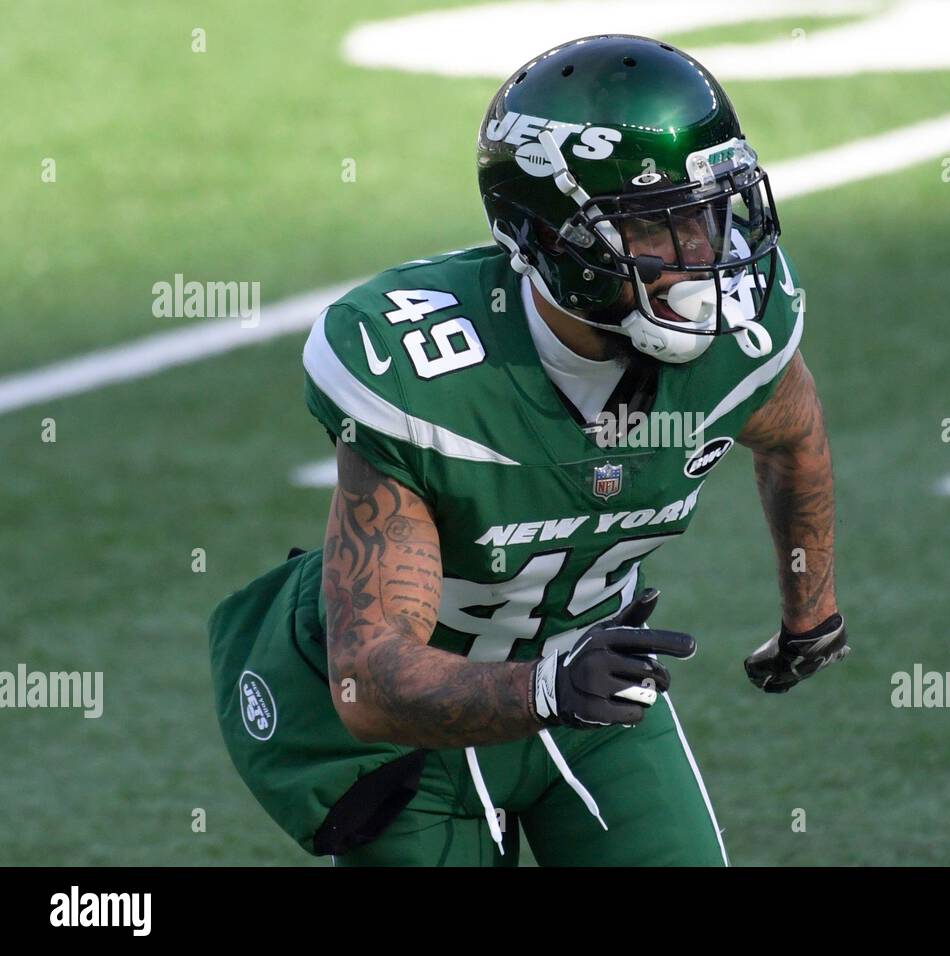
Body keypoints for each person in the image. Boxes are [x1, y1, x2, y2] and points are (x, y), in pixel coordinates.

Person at [209, 33, 848, 867]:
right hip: (419, 729)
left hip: (594, 680)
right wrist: (549, 685)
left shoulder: (742, 338)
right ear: (553, 239)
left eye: (710, 212)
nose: (707, 255)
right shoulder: (427, 376)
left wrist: (812, 612)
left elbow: (794, 440)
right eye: (659, 228)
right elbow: (370, 678)